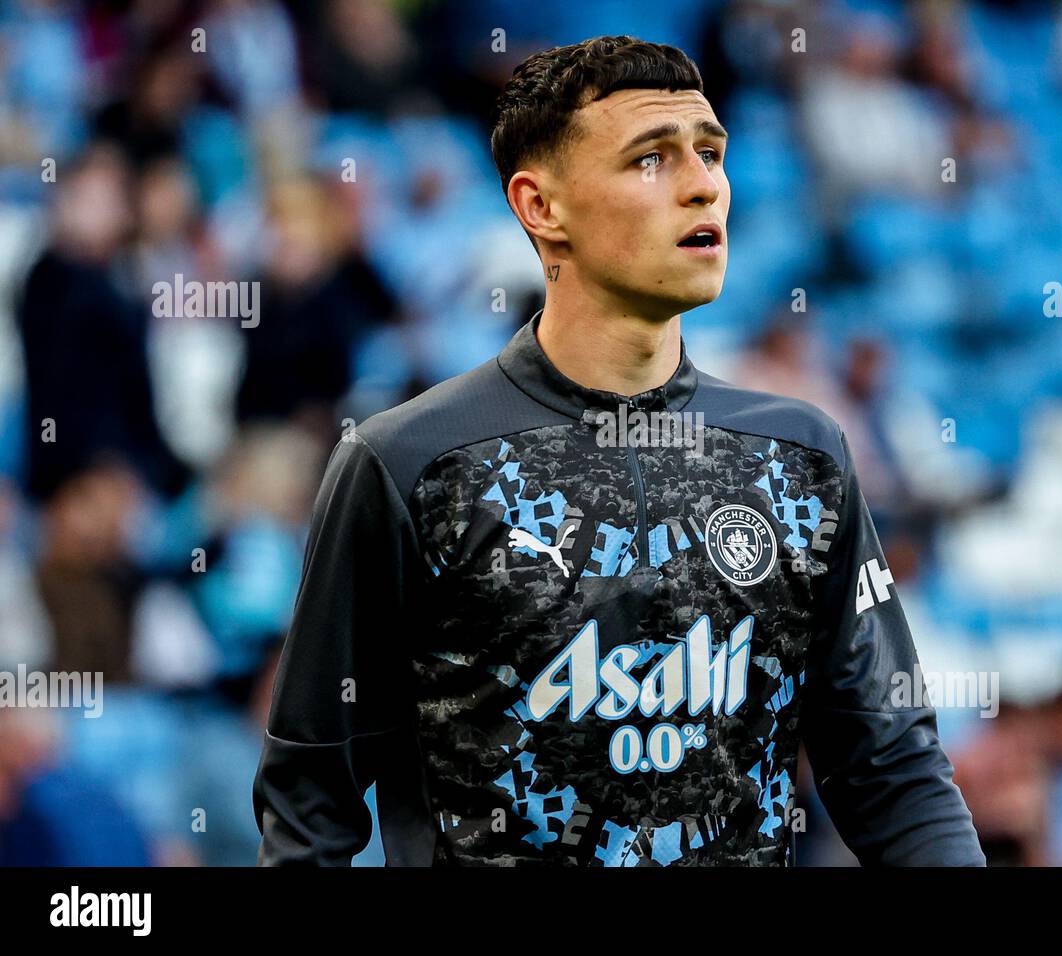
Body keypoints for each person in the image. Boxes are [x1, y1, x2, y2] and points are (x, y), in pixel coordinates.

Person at [252, 35, 984, 867]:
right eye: (651, 159)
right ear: (542, 207)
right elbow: (312, 808)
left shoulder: (802, 457)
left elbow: (893, 770)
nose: (704, 183)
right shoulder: (406, 464)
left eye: (710, 153)